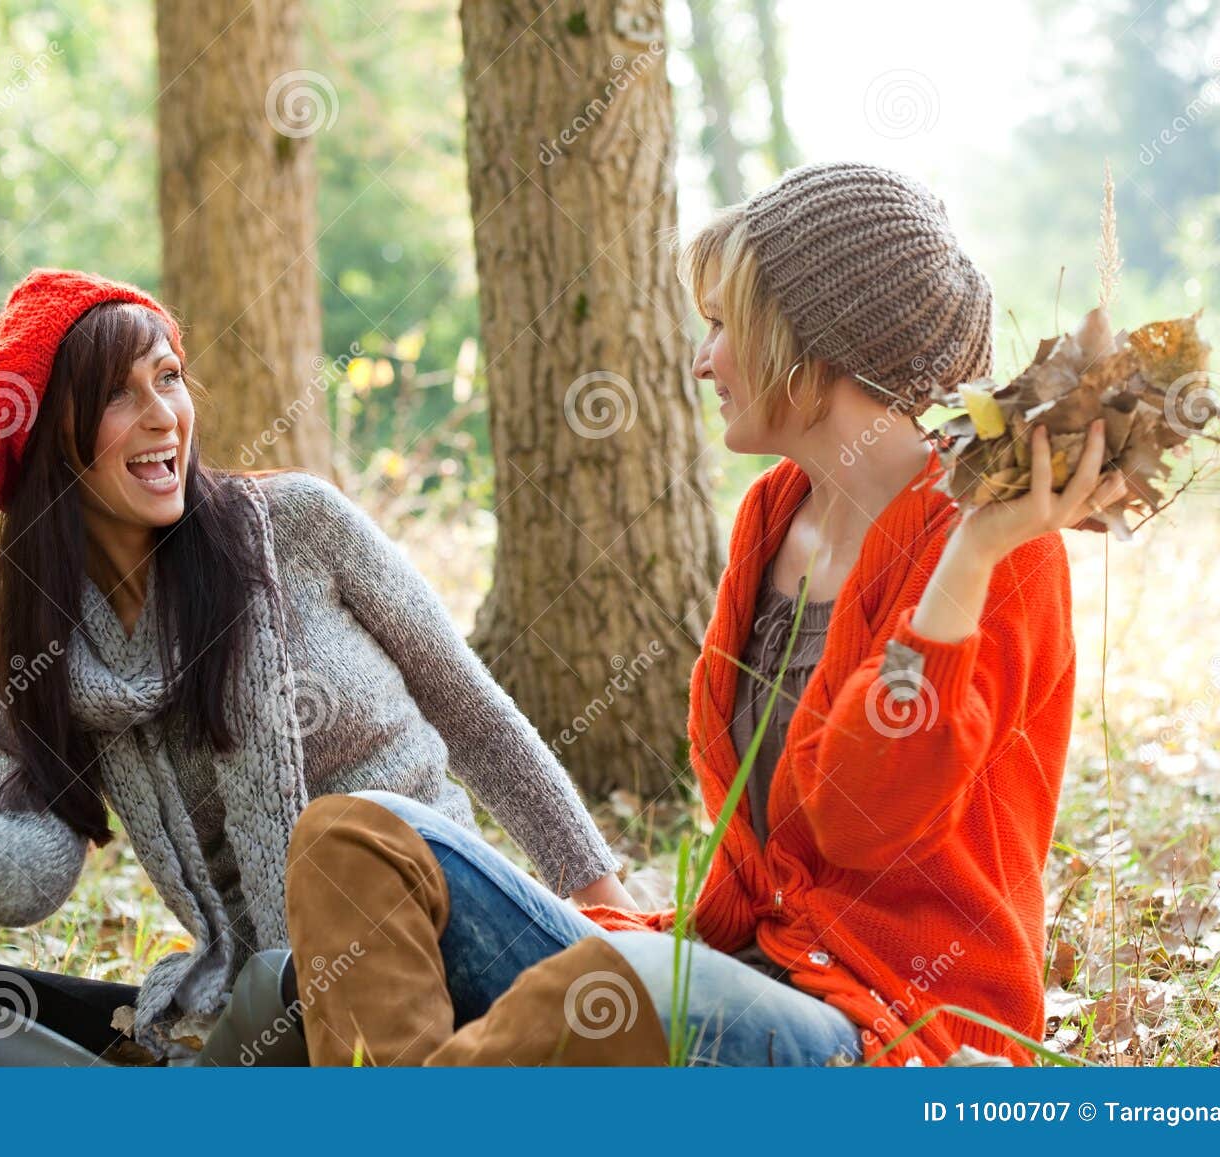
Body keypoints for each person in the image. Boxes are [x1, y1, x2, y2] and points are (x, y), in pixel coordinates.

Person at [260, 161, 1127, 1067]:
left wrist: (966, 561)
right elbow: (751, 853)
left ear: (809, 340)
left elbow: (862, 818)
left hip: (882, 1029)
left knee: (603, 988)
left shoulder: (1000, 547)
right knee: (351, 835)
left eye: (723, 324)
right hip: (721, 967)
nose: (701, 356)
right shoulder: (771, 517)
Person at [0, 268, 631, 1066]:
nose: (164, 417)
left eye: (171, 377)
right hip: (248, 998)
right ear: (51, 442)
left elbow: (471, 713)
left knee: (276, 984)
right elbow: (23, 877)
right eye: (120, 393)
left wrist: (602, 904)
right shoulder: (50, 657)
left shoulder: (299, 527)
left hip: (406, 962)